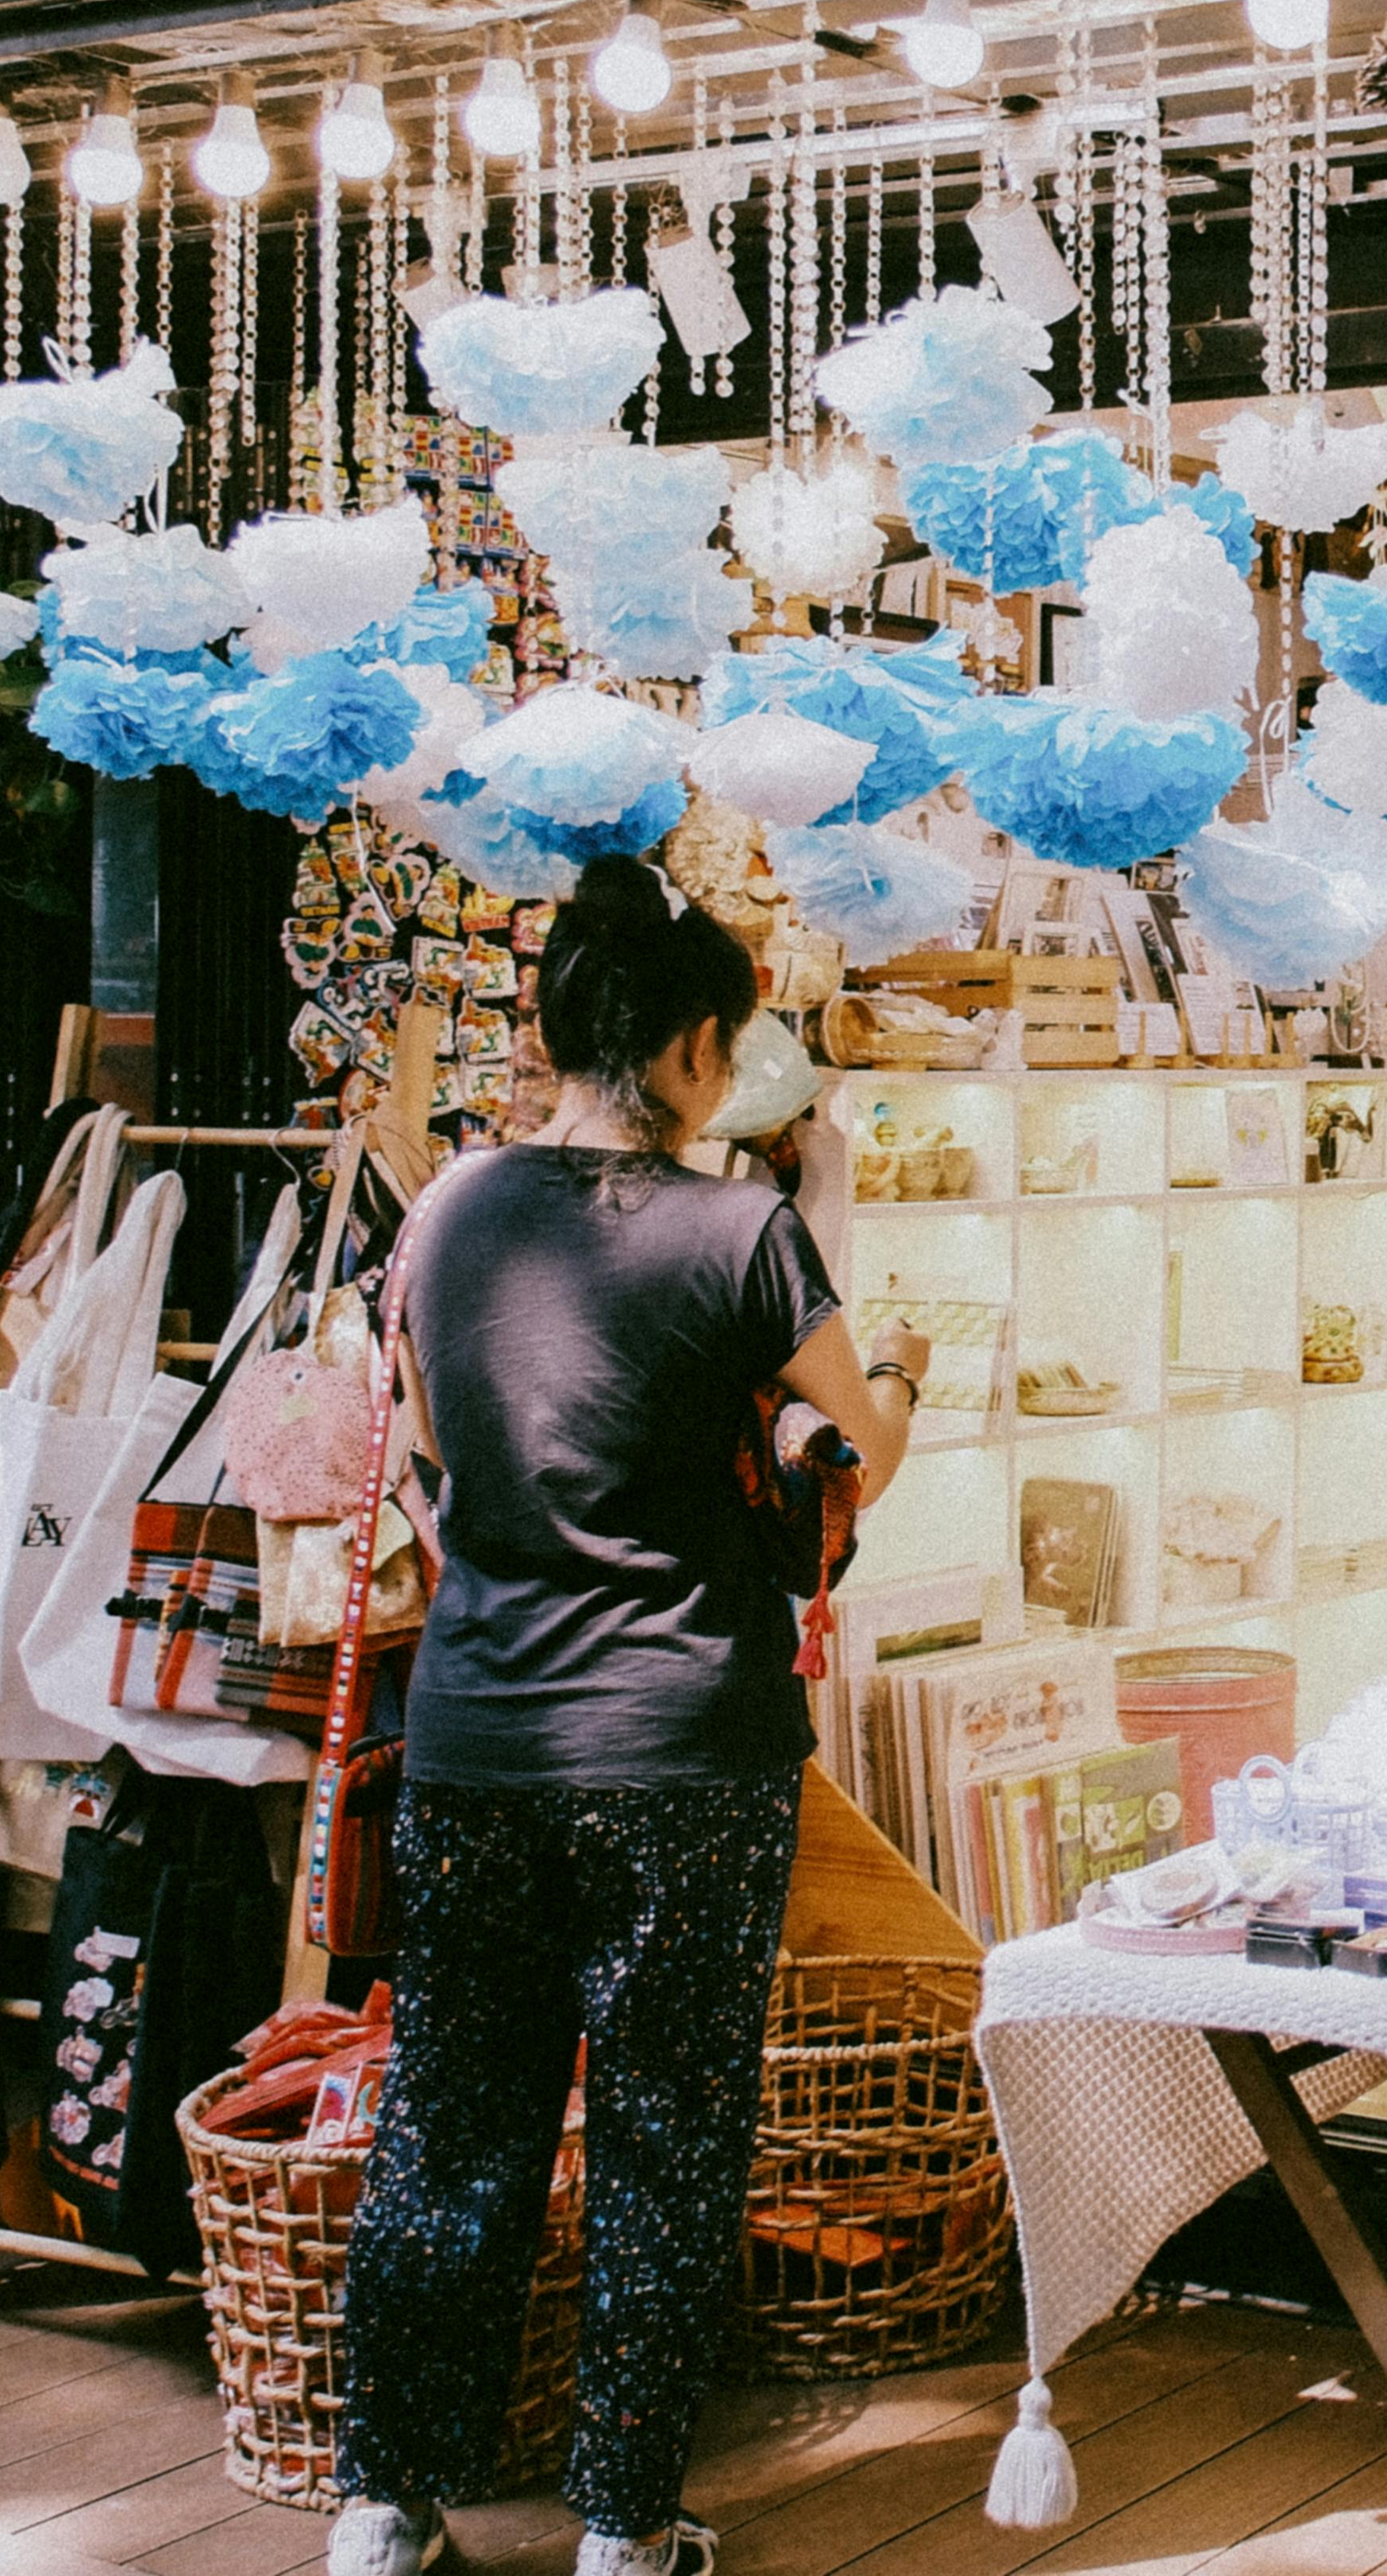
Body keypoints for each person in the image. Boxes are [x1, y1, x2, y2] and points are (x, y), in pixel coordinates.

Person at [330, 859, 923, 2576]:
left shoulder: (447, 1211)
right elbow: (855, 1456)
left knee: (457, 2113)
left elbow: (436, 1443)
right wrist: (898, 1377)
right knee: (669, 2133)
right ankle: (625, 2524)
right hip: (683, 1741)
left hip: (484, 1733)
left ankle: (390, 2504)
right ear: (684, 1045)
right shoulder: (740, 1228)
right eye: (725, 1046)